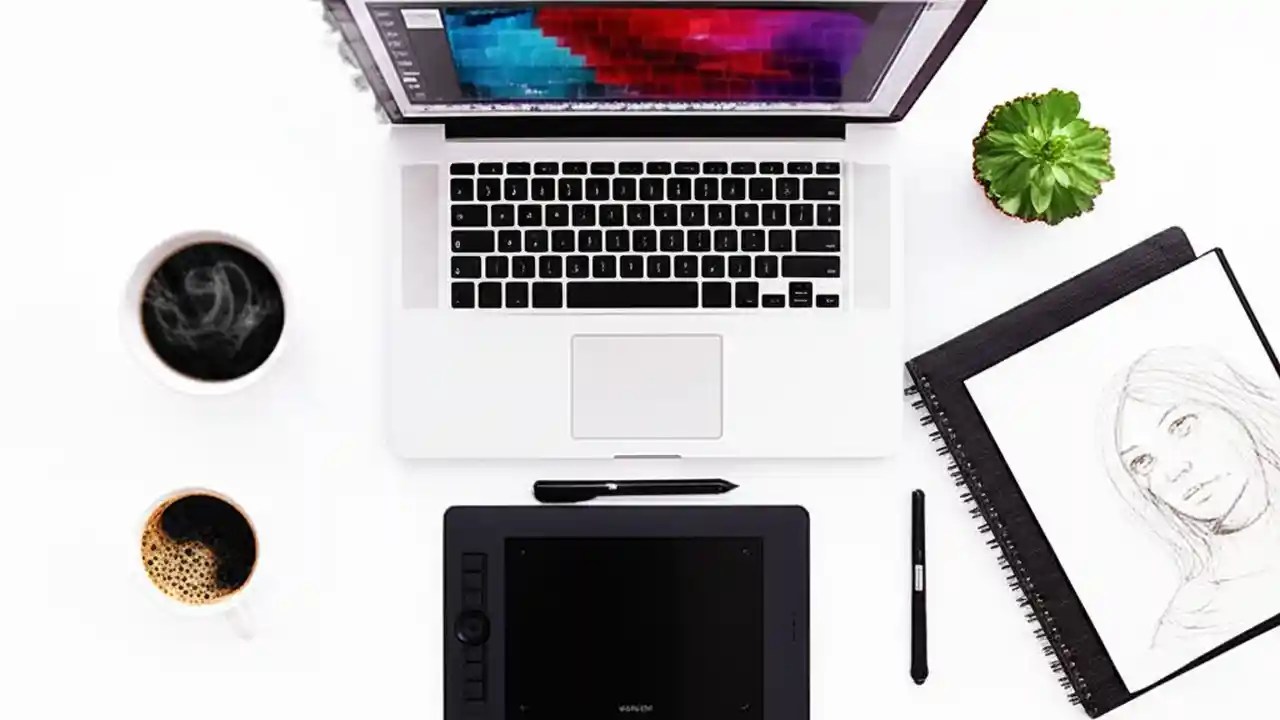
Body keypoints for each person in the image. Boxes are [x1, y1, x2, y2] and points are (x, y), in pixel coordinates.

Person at [1101, 346, 1280, 652]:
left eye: (1181, 425)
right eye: (1143, 461)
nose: (1173, 470)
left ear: (1231, 403)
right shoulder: (1192, 626)